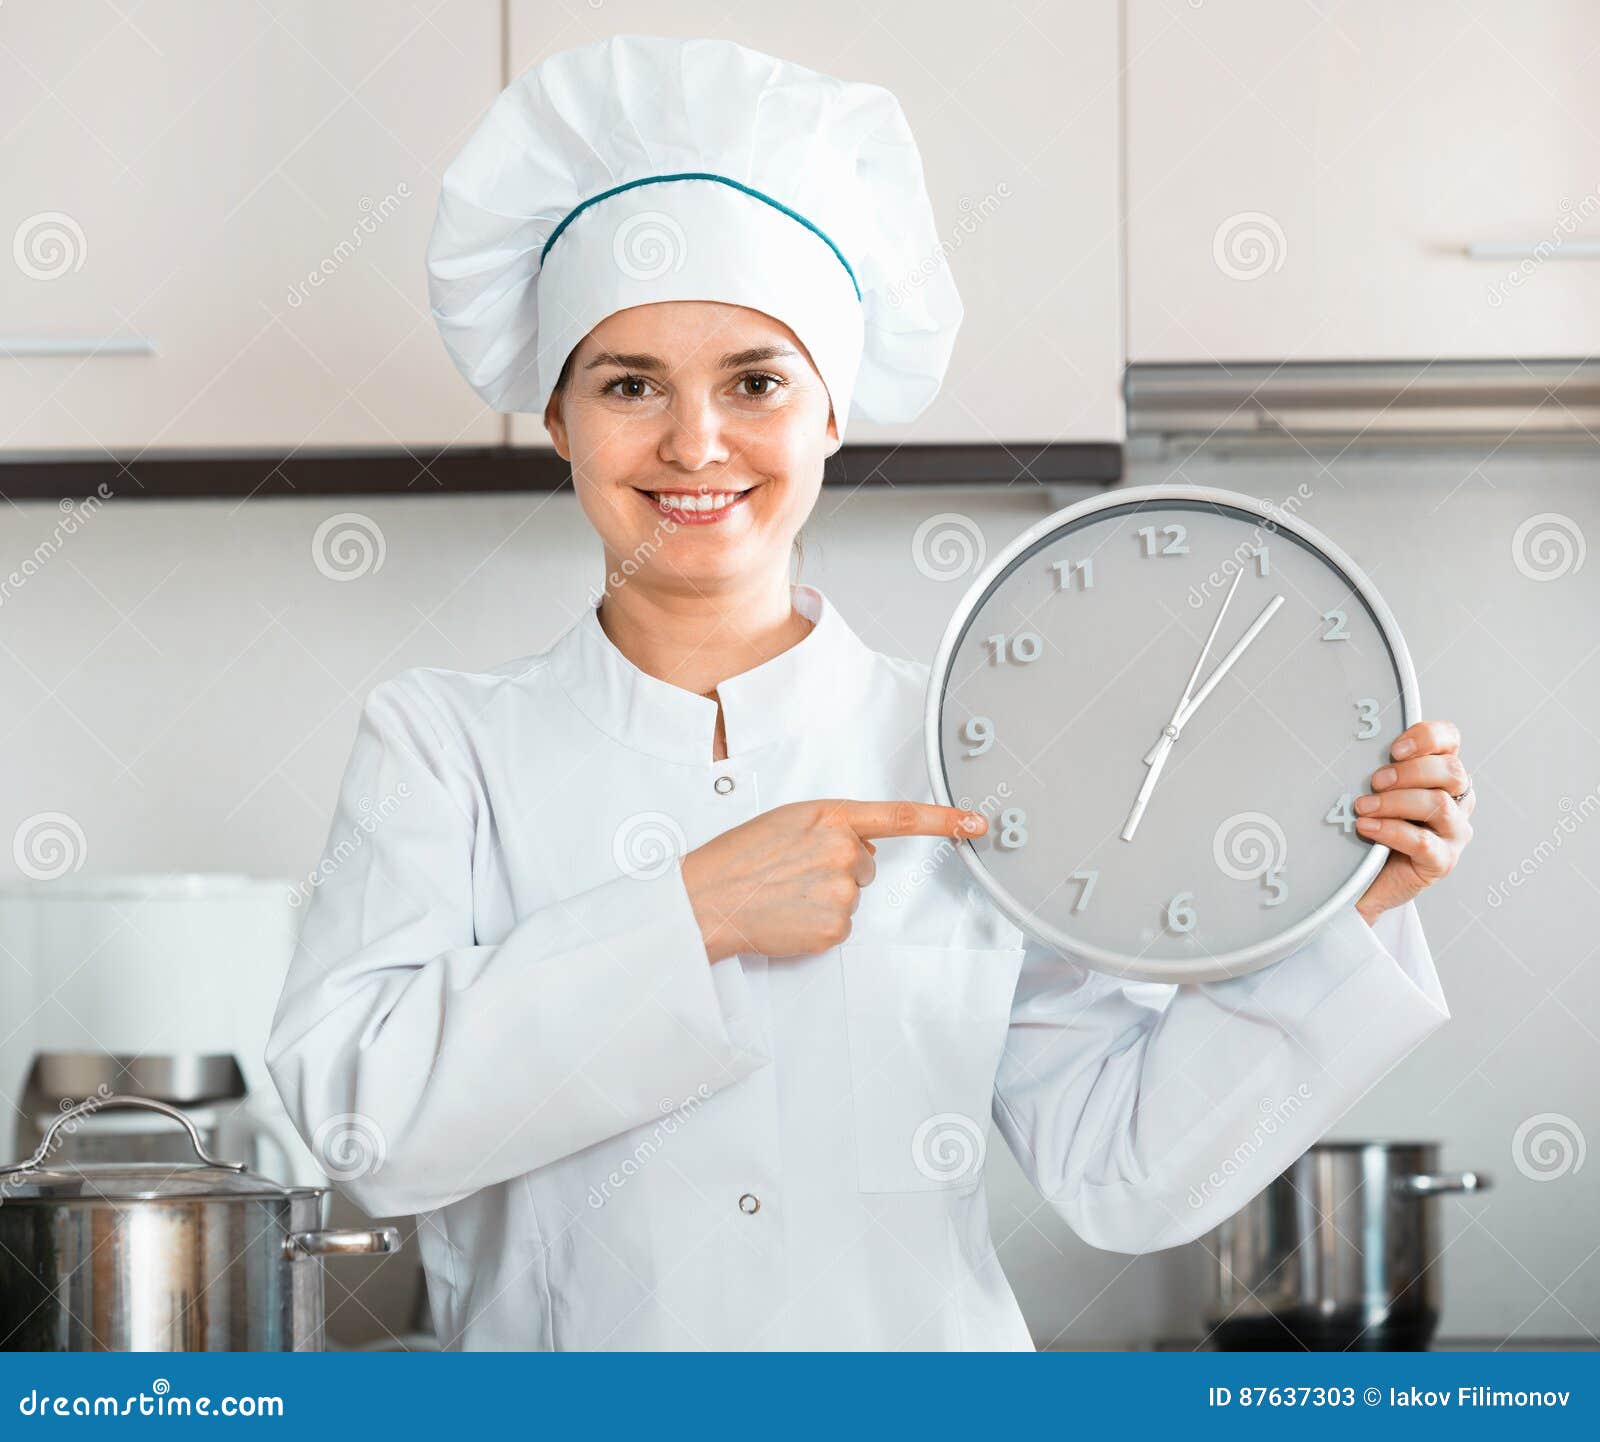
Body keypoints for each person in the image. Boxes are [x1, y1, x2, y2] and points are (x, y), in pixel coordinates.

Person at [265, 34, 1475, 1352]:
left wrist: (1332, 919)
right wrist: (697, 912)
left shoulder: (965, 749)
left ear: (831, 409)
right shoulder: (442, 744)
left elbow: (1119, 1163)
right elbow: (357, 1122)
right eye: (628, 384)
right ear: (559, 418)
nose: (695, 441)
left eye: (755, 380)